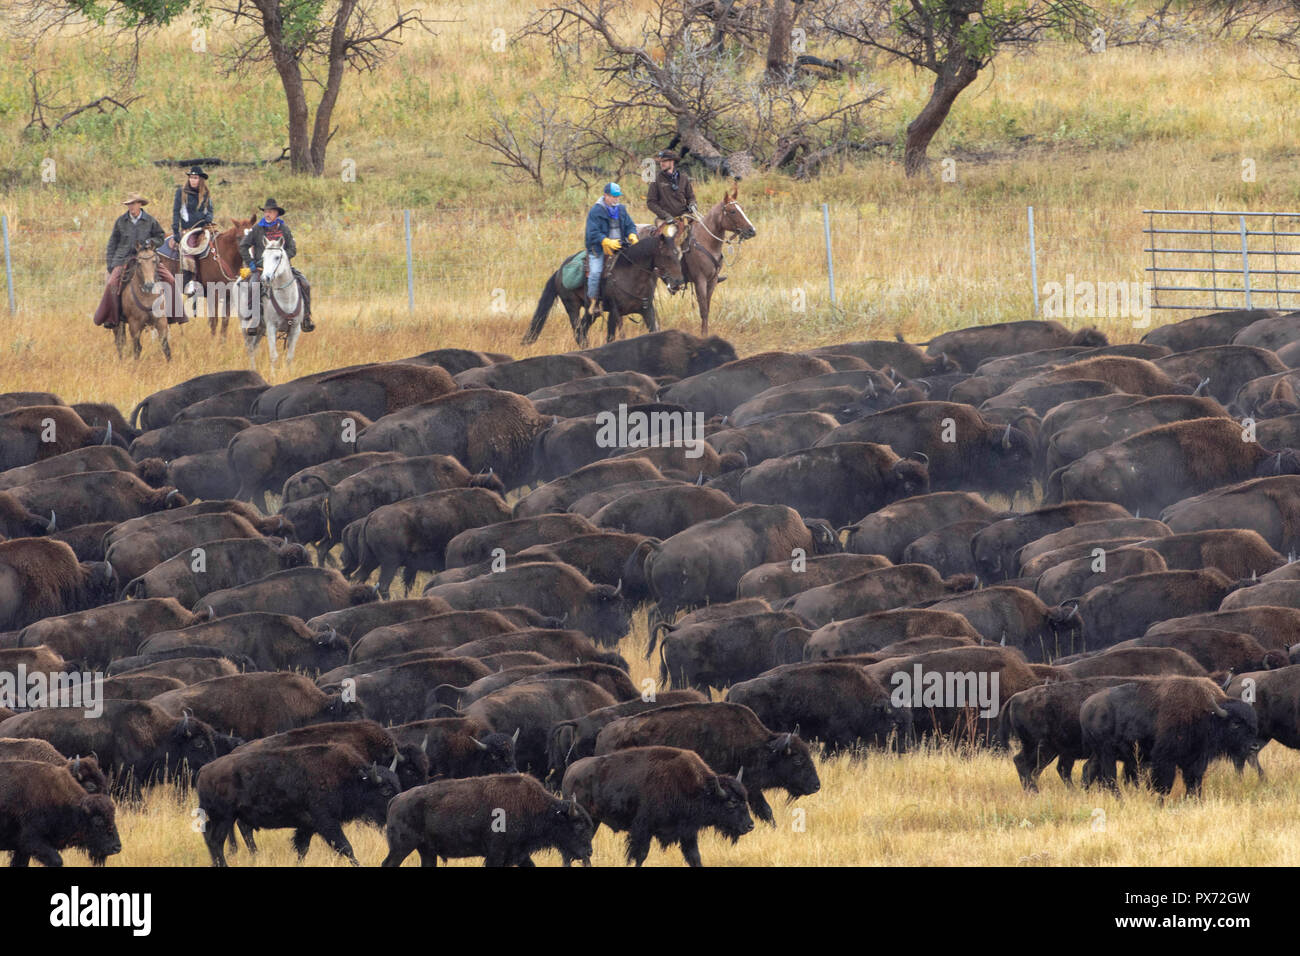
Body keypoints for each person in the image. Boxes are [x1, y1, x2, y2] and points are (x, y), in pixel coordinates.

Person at [239, 198, 314, 332]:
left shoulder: (284, 228)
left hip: (283, 269)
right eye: (266, 211)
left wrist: (283, 260)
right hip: (262, 268)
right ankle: (254, 320)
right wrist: (251, 264)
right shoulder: (257, 228)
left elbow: (292, 248)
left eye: (271, 212)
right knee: (253, 286)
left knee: (305, 284)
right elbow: (243, 246)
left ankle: (306, 317)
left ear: (276, 214)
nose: (267, 214)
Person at [583, 182, 638, 317]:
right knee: (595, 272)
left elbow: (630, 225)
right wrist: (606, 241)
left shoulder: (621, 209)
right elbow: (592, 232)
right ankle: (594, 302)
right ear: (605, 195)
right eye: (613, 196)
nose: (616, 199)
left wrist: (632, 234)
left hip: (619, 247)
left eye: (618, 196)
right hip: (599, 249)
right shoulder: (596, 211)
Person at [171, 165, 214, 306]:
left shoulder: (206, 194)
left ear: (200, 180)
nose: (193, 180)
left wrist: (208, 218)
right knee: (190, 248)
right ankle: (190, 281)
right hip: (188, 229)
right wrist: (175, 230)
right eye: (191, 177)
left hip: (202, 228)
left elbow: (210, 210)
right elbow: (176, 212)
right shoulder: (182, 193)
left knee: (215, 245)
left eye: (195, 178)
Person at [105, 193, 166, 275]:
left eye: (133, 203)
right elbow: (112, 244)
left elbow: (160, 237)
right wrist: (110, 264)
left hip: (147, 258)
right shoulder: (121, 221)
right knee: (111, 284)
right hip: (122, 259)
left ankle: (177, 288)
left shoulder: (150, 220)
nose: (131, 206)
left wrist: (150, 242)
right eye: (128, 204)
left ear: (140, 204)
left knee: (171, 280)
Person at [645, 149, 698, 225]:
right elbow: (651, 202)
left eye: (664, 161)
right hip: (665, 219)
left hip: (684, 216)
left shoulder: (683, 178)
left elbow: (691, 197)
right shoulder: (656, 179)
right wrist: (665, 216)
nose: (662, 163)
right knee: (668, 235)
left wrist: (693, 204)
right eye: (661, 161)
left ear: (672, 162)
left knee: (699, 231)